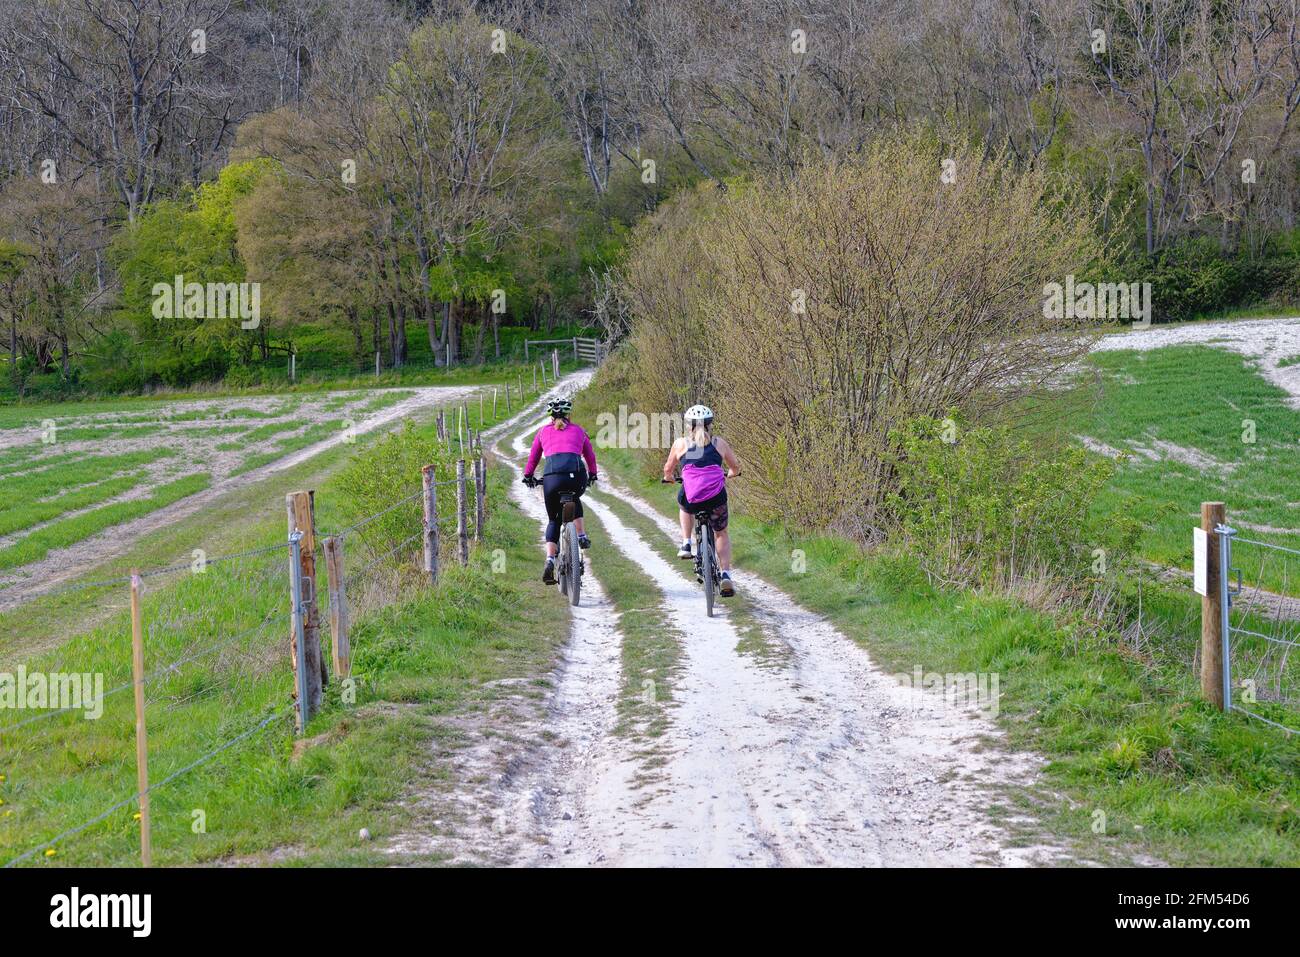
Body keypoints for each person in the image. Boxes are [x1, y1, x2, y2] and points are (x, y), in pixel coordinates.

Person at [662, 403, 741, 597]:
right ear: (709, 425)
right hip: (716, 497)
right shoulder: (718, 443)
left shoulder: (680, 444)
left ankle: (686, 542)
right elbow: (735, 468)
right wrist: (730, 474)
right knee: (721, 532)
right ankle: (725, 575)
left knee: (684, 503)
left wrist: (670, 478)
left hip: (693, 497)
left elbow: (668, 470)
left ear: (688, 425)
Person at [523, 397, 598, 584]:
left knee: (553, 519)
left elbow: (533, 458)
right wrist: (593, 474)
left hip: (552, 478)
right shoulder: (579, 431)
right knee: (575, 497)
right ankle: (581, 535)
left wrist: (528, 476)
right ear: (568, 414)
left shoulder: (542, 433)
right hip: (576, 476)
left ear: (551, 416)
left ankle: (550, 559)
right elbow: (590, 455)